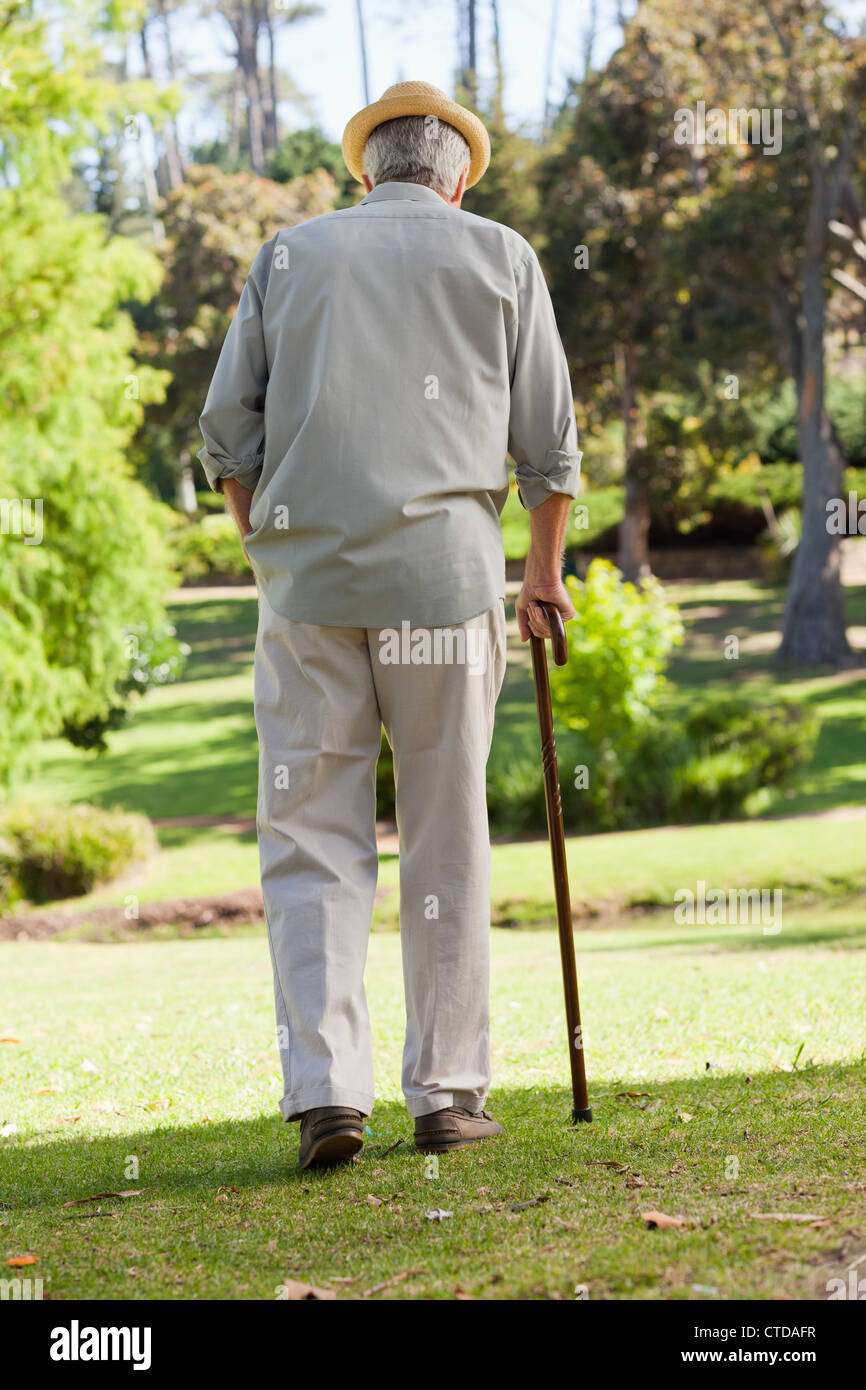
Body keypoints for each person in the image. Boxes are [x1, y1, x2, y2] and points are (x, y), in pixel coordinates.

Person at [198, 80, 581, 1170]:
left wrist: (264, 545)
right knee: (445, 835)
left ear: (366, 172)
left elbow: (227, 437)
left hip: (309, 590)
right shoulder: (502, 255)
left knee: (310, 835)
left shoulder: (288, 256)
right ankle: (447, 1096)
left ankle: (328, 1093)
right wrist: (540, 575)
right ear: (455, 178)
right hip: (447, 589)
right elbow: (548, 451)